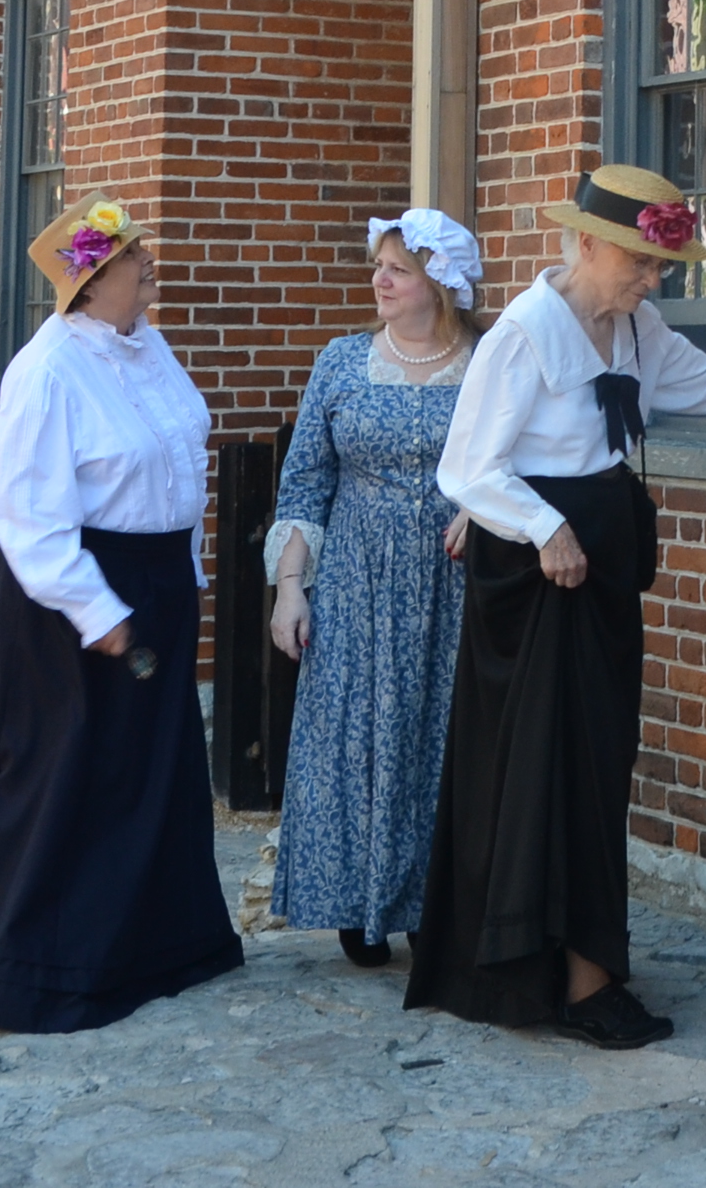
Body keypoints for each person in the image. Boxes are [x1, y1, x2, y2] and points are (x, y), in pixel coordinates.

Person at [410, 164, 706, 1049]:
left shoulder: (636, 327)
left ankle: (583, 962)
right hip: (537, 580)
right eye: (640, 261)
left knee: (598, 760)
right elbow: (467, 468)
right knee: (544, 769)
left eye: (661, 266)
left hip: (600, 568)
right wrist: (545, 527)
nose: (652, 280)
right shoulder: (524, 334)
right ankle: (553, 973)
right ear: (588, 243)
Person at [0, 199, 243, 1032]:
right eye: (134, 257)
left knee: (151, 771)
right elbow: (27, 517)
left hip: (154, 584)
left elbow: (176, 465)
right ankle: (36, 968)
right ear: (92, 282)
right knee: (67, 770)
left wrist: (184, 576)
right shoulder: (49, 369)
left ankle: (156, 948)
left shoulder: (147, 346)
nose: (149, 263)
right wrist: (97, 609)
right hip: (69, 590)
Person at [267, 209, 489, 968]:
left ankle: (431, 902)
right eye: (379, 266)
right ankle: (358, 904)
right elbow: (305, 481)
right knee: (354, 741)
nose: (379, 280)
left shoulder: (489, 363)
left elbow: (524, 453)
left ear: (441, 284)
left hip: (454, 586)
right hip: (355, 584)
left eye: (398, 269)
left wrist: (484, 504)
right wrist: (290, 588)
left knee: (441, 739)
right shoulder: (340, 362)